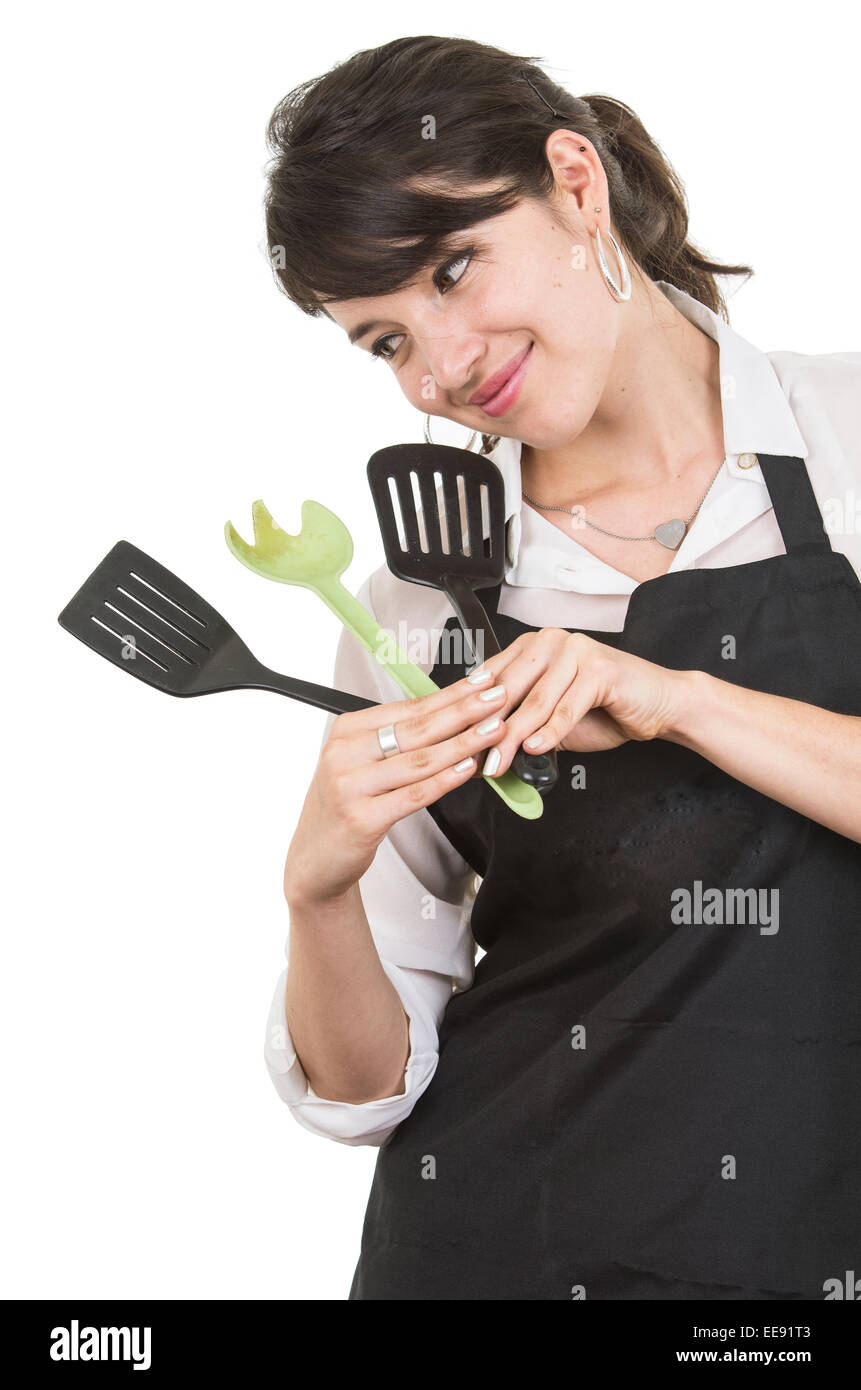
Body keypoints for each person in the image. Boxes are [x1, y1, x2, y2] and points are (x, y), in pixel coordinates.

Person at [261, 35, 861, 1299]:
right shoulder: (414, 610)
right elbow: (373, 1087)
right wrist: (319, 893)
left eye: (453, 267)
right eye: (384, 341)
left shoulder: (849, 441)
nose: (443, 365)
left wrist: (677, 700)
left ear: (575, 182)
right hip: (503, 1251)